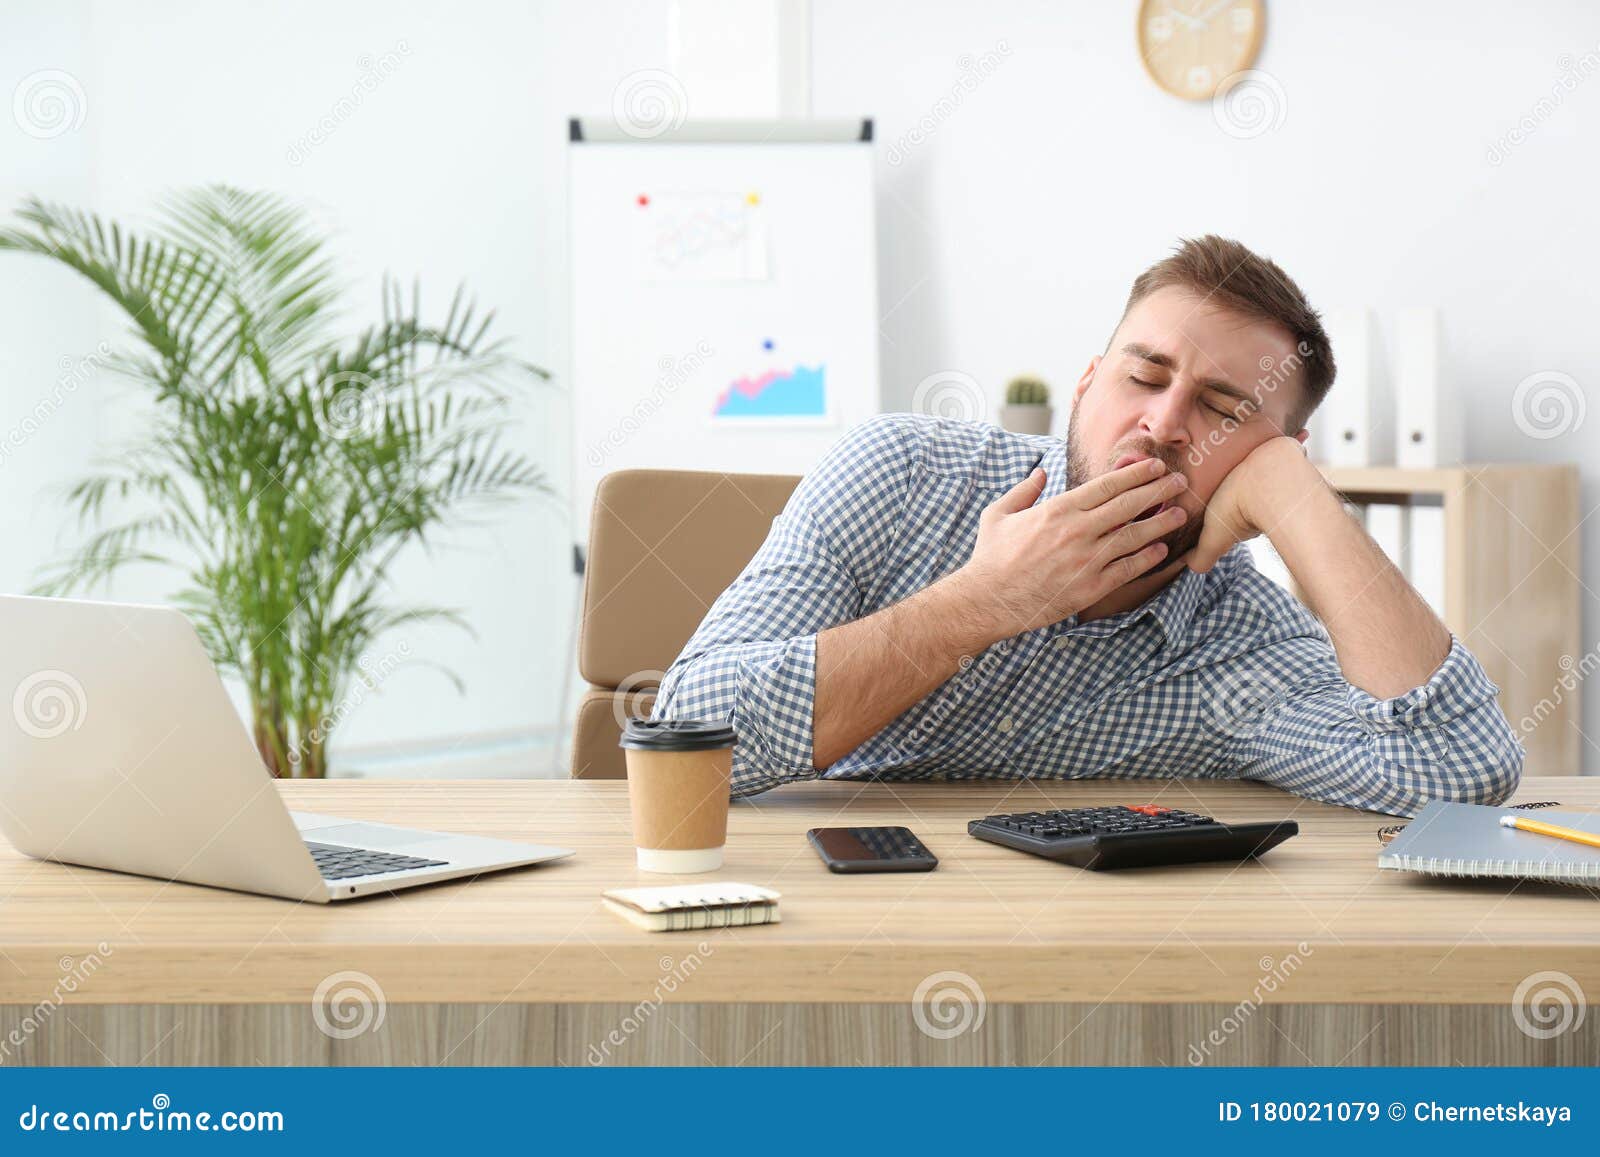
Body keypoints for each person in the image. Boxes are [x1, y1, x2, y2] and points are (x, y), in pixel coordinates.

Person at [650, 236, 1522, 816]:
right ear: (1087, 381)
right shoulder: (899, 471)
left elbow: (1460, 771)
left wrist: (1295, 497)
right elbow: (682, 736)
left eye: (1223, 409)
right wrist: (981, 603)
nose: (1167, 422)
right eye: (1144, 377)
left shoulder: (1246, 649)